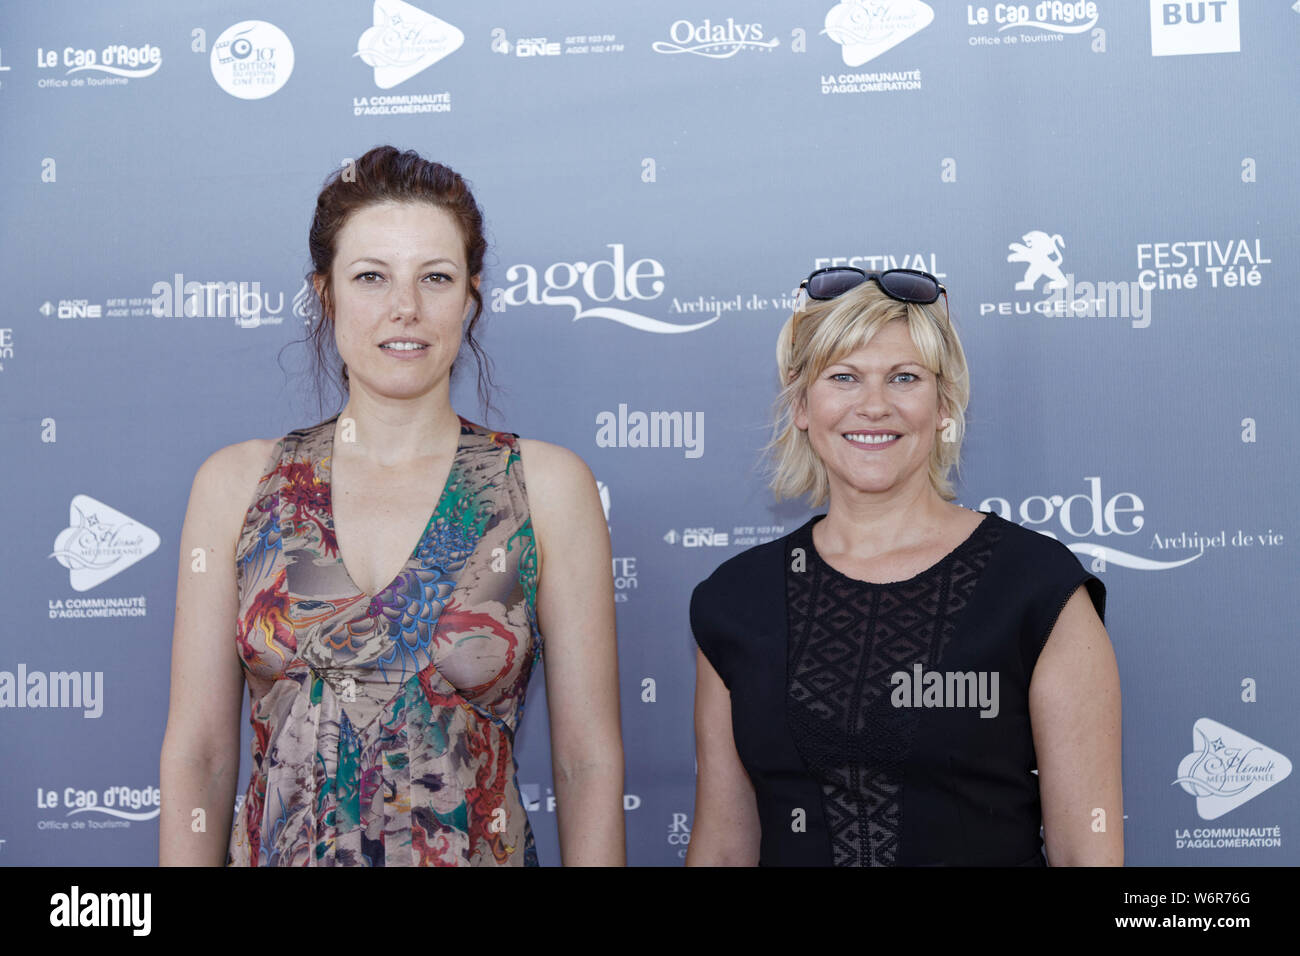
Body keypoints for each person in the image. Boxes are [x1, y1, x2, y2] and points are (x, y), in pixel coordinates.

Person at [159, 146, 625, 866]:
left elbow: (587, 763)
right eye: (371, 276)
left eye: (434, 277)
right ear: (326, 294)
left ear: (470, 296)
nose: (404, 308)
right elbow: (200, 757)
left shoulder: (544, 485)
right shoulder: (237, 485)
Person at [686, 267, 1122, 866]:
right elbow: (724, 848)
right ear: (802, 404)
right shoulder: (735, 600)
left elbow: (1086, 854)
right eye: (843, 378)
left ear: (944, 405)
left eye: (904, 378)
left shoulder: (1035, 586)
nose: (874, 406)